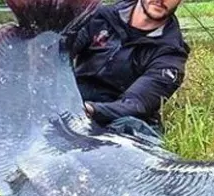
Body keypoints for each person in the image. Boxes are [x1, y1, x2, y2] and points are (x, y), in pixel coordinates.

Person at [67, 0, 190, 145]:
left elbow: (137, 105)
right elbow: (61, 51)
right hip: (74, 101)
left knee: (130, 128)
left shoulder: (172, 54)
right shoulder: (99, 16)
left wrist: (90, 109)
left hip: (121, 118)